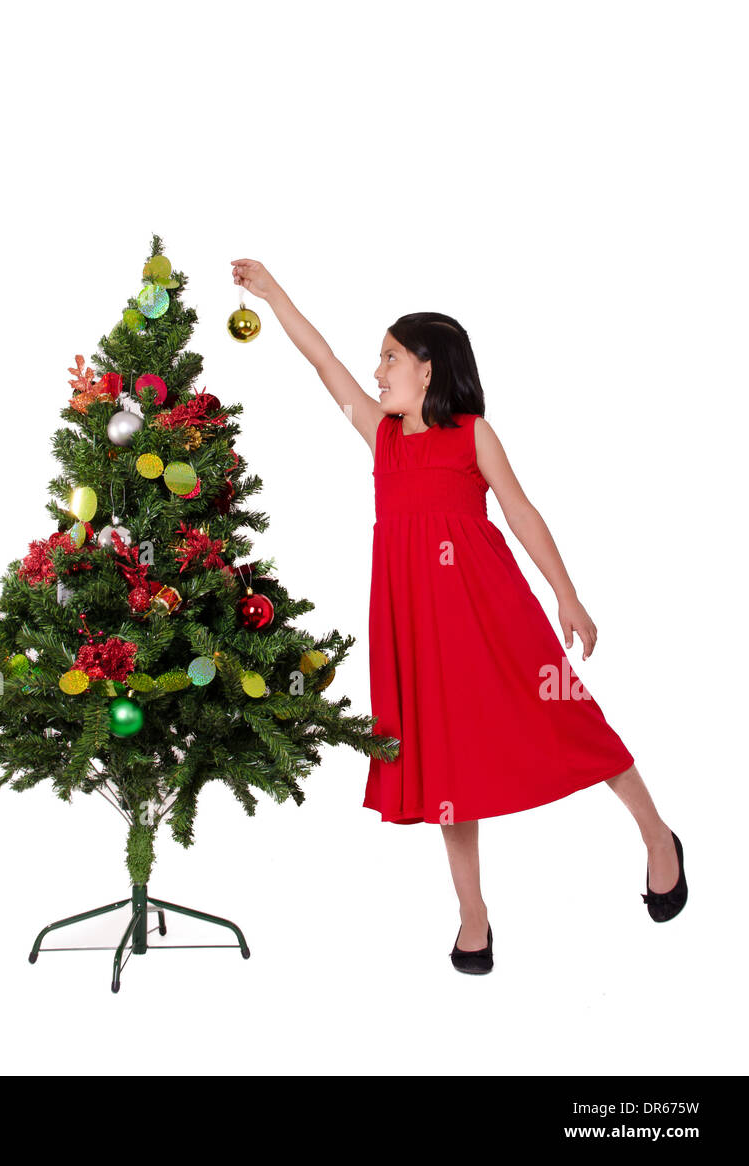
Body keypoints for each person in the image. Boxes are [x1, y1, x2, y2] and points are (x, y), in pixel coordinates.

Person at [230, 259, 687, 973]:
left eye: (388, 357)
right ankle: (472, 911)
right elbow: (319, 359)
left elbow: (521, 510)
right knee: (445, 760)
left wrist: (567, 594)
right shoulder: (380, 436)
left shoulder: (472, 433)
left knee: (571, 718)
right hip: (414, 620)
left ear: (428, 368)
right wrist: (273, 293)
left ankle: (657, 836)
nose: (375, 369)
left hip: (490, 607)